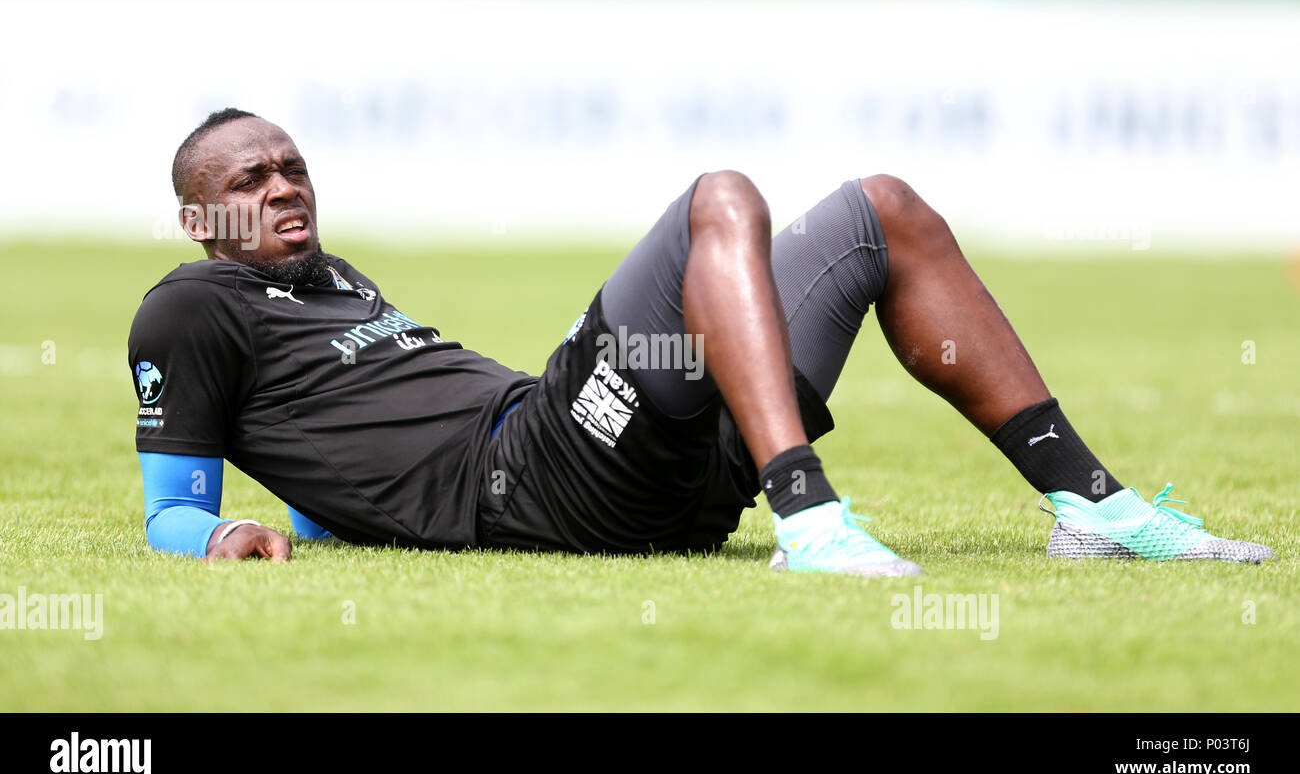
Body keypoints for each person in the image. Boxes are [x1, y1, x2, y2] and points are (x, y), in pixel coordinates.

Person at [129, 108, 1273, 574]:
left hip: (646, 455)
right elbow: (170, 511)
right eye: (250, 179)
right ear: (197, 218)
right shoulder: (187, 307)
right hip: (543, 463)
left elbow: (339, 437)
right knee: (714, 198)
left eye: (292, 167)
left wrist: (329, 510)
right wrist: (225, 532)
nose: (283, 186)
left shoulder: (330, 280)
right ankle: (808, 518)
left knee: (882, 209)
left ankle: (1095, 509)